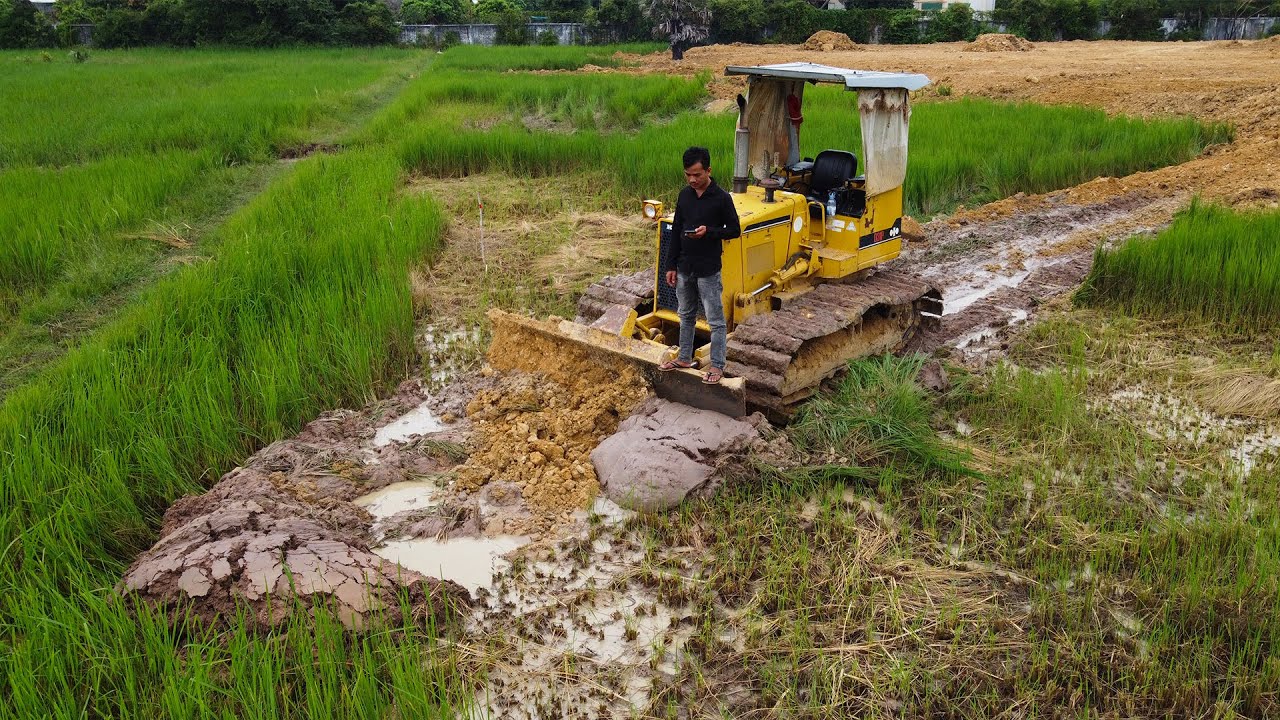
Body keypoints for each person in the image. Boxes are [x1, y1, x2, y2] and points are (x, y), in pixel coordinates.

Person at [658, 146, 741, 385]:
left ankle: (717, 365)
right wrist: (670, 265)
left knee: (715, 320)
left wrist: (709, 232)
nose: (692, 180)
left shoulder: (721, 198)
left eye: (697, 174)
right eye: (688, 175)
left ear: (708, 170)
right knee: (685, 315)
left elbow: (734, 230)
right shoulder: (684, 195)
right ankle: (684, 357)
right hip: (685, 267)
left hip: (708, 269)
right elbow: (675, 233)